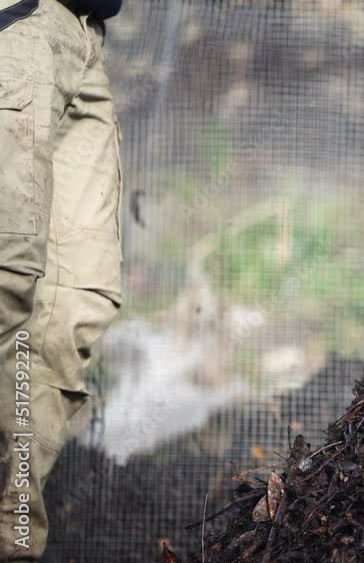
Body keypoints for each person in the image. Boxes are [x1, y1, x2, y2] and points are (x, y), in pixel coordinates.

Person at [0, 0, 123, 559]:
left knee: (68, 312)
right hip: (16, 18)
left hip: (84, 33)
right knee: (7, 280)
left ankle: (13, 545)